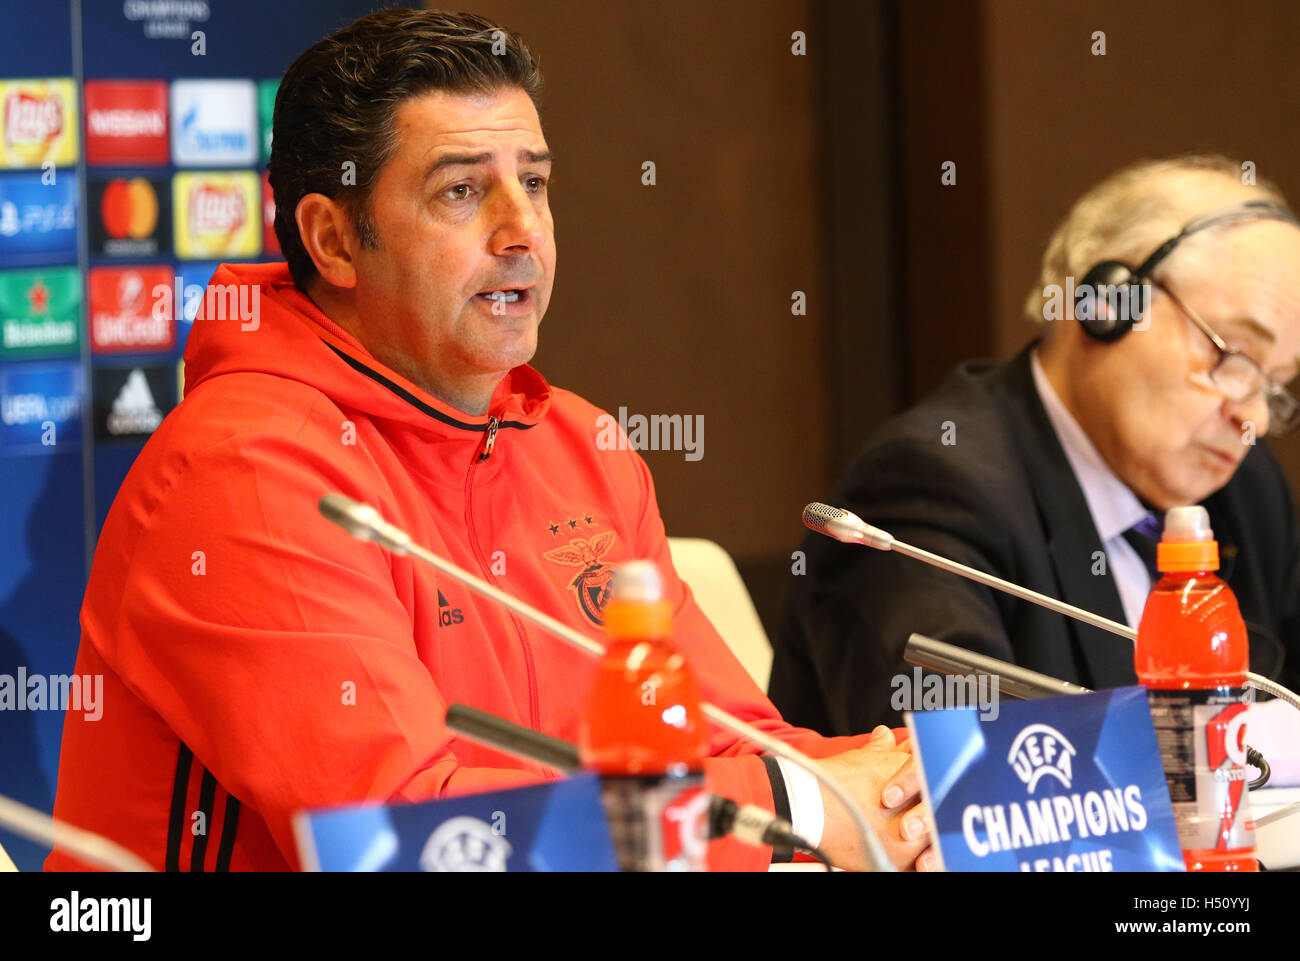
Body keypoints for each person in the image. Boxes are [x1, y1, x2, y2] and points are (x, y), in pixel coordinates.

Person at [45, 8, 930, 872]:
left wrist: (900, 793)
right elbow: (411, 836)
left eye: (535, 183)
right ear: (333, 239)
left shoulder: (580, 443)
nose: (523, 232)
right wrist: (803, 807)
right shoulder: (242, 474)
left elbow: (734, 739)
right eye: (462, 190)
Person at [771, 155, 1300, 736]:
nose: (1251, 417)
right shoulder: (930, 485)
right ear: (1107, 305)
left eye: (1276, 387)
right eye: (1235, 358)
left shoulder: (1248, 494)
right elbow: (968, 765)